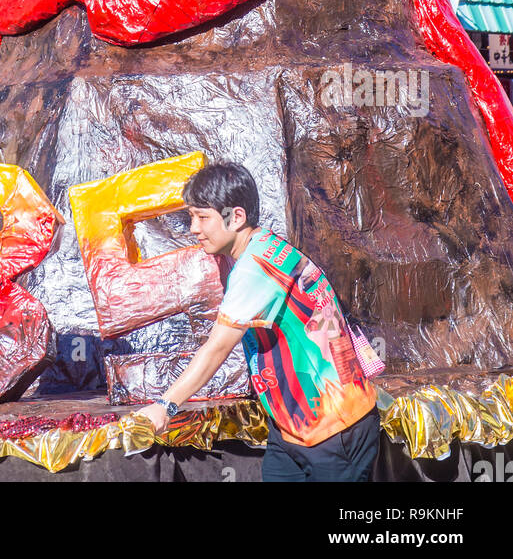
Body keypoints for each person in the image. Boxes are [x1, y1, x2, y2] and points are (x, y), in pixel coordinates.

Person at [136, 162, 380, 482]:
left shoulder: (257, 267)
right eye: (192, 216)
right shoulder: (265, 247)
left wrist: (165, 406)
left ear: (236, 217)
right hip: (293, 427)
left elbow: (218, 347)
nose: (194, 228)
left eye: (202, 217)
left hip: (334, 427)